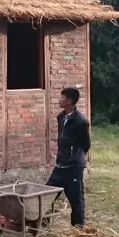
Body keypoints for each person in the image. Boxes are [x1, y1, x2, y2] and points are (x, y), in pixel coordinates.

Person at [47, 87, 91, 228]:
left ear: (69, 101)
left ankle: (78, 230)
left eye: (62, 98)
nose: (59, 100)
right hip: (60, 166)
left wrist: (74, 157)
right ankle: (41, 223)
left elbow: (86, 145)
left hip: (73, 168)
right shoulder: (61, 117)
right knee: (46, 195)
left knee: (76, 199)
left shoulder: (80, 121)